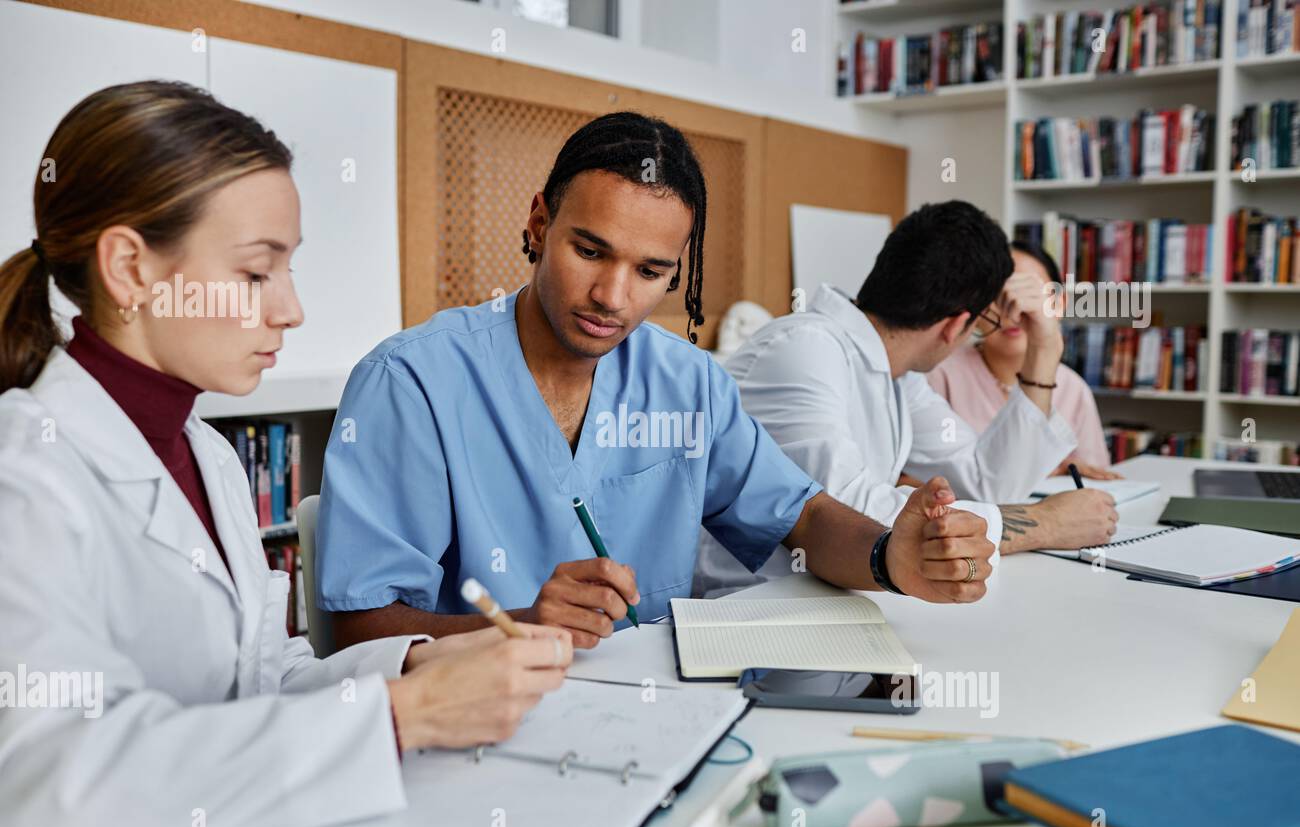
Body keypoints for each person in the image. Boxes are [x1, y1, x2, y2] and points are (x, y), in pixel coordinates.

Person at [0, 81, 572, 827]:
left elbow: (256, 684)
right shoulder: (25, 477)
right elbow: (54, 790)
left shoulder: (205, 455)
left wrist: (413, 664)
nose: (291, 309)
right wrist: (403, 718)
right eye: (256, 274)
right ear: (130, 268)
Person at [317, 113, 996, 652]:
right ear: (538, 224)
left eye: (650, 271)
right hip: (477, 722)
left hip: (653, 719)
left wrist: (887, 558)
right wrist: (522, 624)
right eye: (590, 251)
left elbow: (803, 516)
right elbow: (357, 630)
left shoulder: (688, 384)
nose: (612, 296)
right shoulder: (412, 383)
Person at [695, 200, 1118, 597]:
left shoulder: (898, 375)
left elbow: (987, 482)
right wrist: (1042, 524)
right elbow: (847, 519)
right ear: (956, 327)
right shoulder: (804, 348)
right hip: (746, 610)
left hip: (827, 605)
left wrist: (1044, 351)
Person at [928, 241, 1119, 479]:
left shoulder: (1074, 389)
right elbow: (908, 479)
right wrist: (1051, 471)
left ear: (1059, 304)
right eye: (999, 295)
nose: (1014, 310)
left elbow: (1097, 478)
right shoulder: (938, 376)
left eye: (1030, 293)